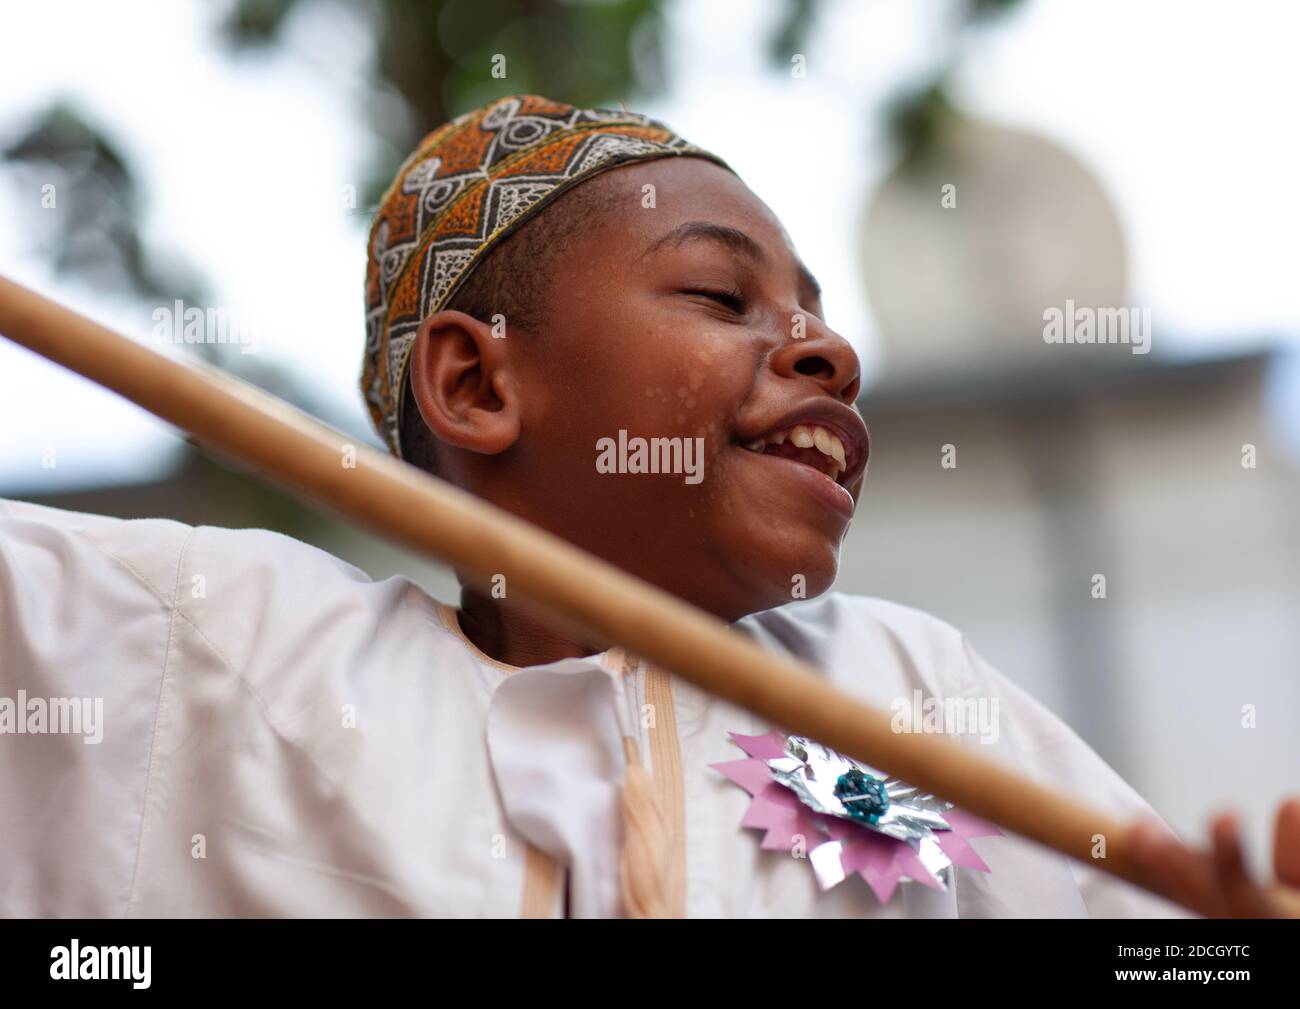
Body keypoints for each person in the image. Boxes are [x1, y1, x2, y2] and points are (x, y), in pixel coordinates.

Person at [1, 94, 1295, 918]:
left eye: (822, 318)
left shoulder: (901, 683)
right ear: (476, 383)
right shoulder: (221, 645)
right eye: (723, 300)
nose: (827, 353)